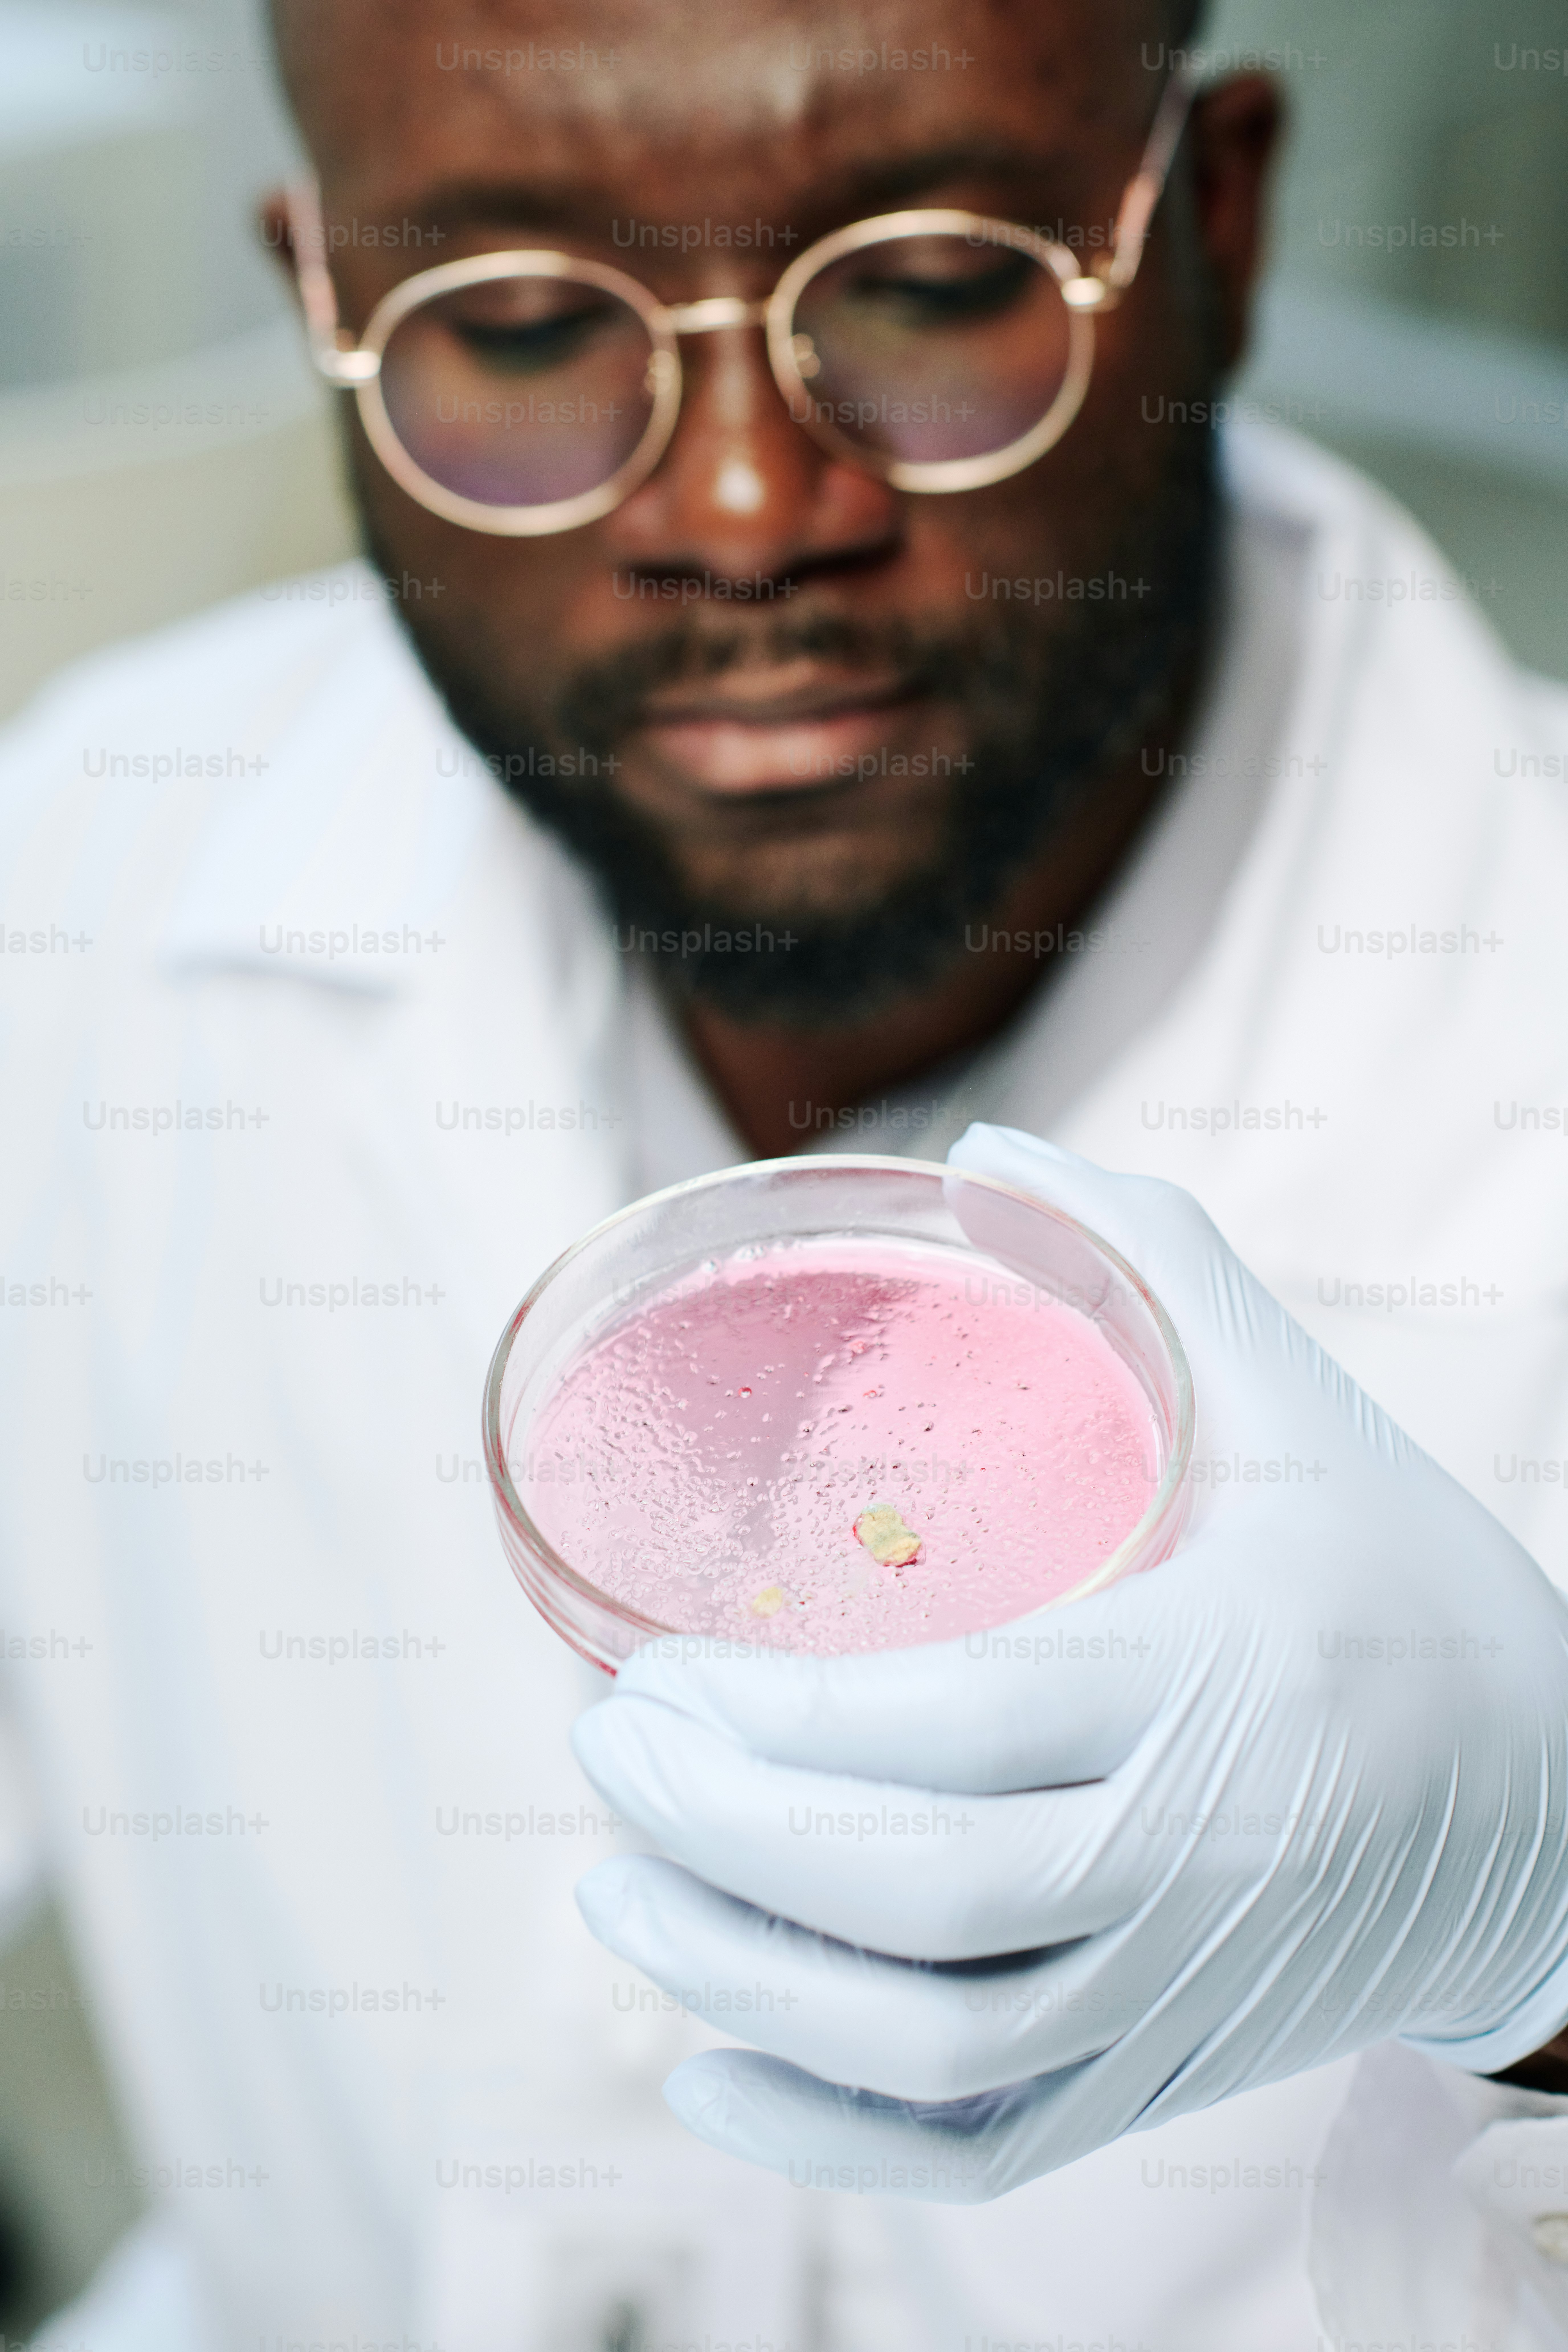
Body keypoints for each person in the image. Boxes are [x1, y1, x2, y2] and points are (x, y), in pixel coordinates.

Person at [3, 0, 1568, 2343]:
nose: (745, 507)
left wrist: (1547, 1947)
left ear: (1216, 228)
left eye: (934, 287)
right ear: (324, 301)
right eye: (513, 324)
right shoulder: (101, 850)